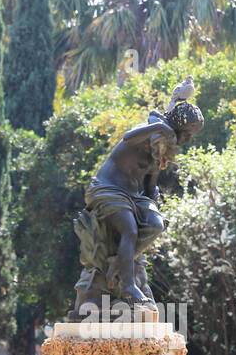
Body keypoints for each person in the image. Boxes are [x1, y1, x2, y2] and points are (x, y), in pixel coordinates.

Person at [73, 98, 203, 314]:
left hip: (133, 196)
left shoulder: (161, 151)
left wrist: (154, 201)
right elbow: (127, 137)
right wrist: (161, 126)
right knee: (130, 229)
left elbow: (150, 184)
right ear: (175, 128)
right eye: (187, 133)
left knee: (156, 225)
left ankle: (118, 264)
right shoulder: (145, 132)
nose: (188, 139)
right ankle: (128, 286)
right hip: (107, 188)